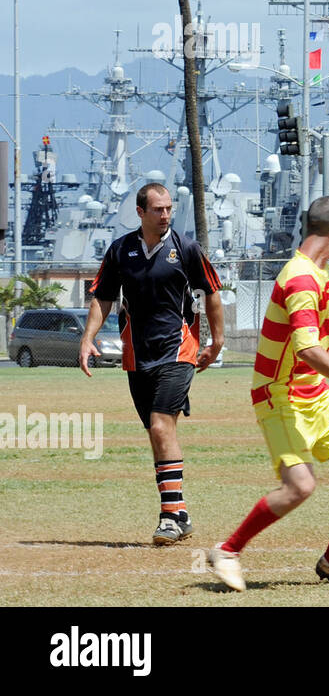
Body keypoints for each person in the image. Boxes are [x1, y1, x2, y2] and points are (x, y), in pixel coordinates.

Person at [208, 196, 329, 592]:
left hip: (315, 392)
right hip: (279, 394)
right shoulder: (301, 279)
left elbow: (320, 343)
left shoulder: (323, 273)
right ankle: (228, 550)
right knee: (300, 486)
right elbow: (307, 348)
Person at [79, 182, 224, 545]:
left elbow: (212, 292)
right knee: (159, 434)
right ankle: (181, 513)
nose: (165, 215)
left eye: (168, 209)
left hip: (178, 350)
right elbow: (103, 298)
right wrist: (87, 338)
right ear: (140, 212)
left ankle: (168, 519)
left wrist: (217, 341)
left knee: (161, 427)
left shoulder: (185, 248)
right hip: (136, 355)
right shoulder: (120, 250)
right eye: (158, 210)